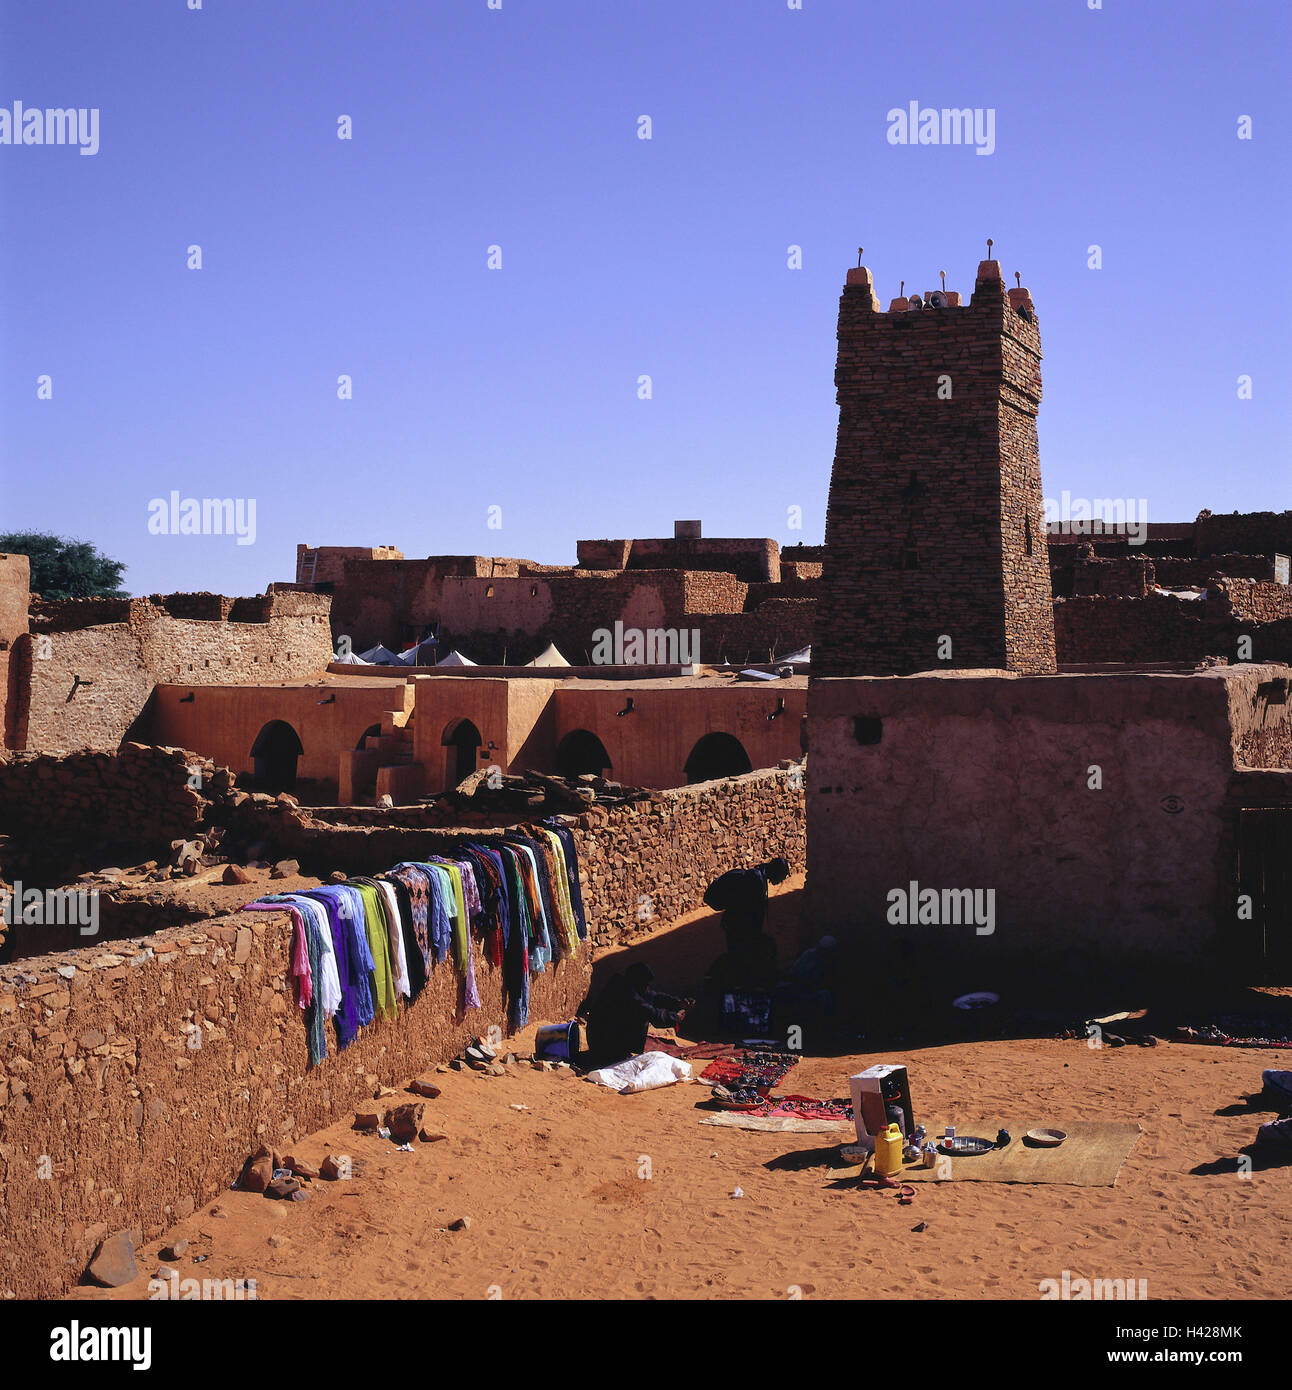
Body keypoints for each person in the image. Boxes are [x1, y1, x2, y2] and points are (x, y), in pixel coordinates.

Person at [701, 857, 790, 989]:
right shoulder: (757, 880)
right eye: (781, 876)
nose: (780, 881)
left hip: (736, 925)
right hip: (739, 928)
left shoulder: (758, 876)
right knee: (739, 957)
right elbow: (750, 910)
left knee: (737, 956)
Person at [584, 962, 691, 1067]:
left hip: (604, 1038)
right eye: (645, 984)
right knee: (640, 1017)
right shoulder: (625, 993)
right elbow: (653, 1015)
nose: (647, 987)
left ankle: (618, 1051)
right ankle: (613, 1054)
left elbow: (654, 996)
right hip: (602, 1042)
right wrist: (676, 1017)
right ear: (637, 981)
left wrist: (677, 1003)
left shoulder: (629, 985)